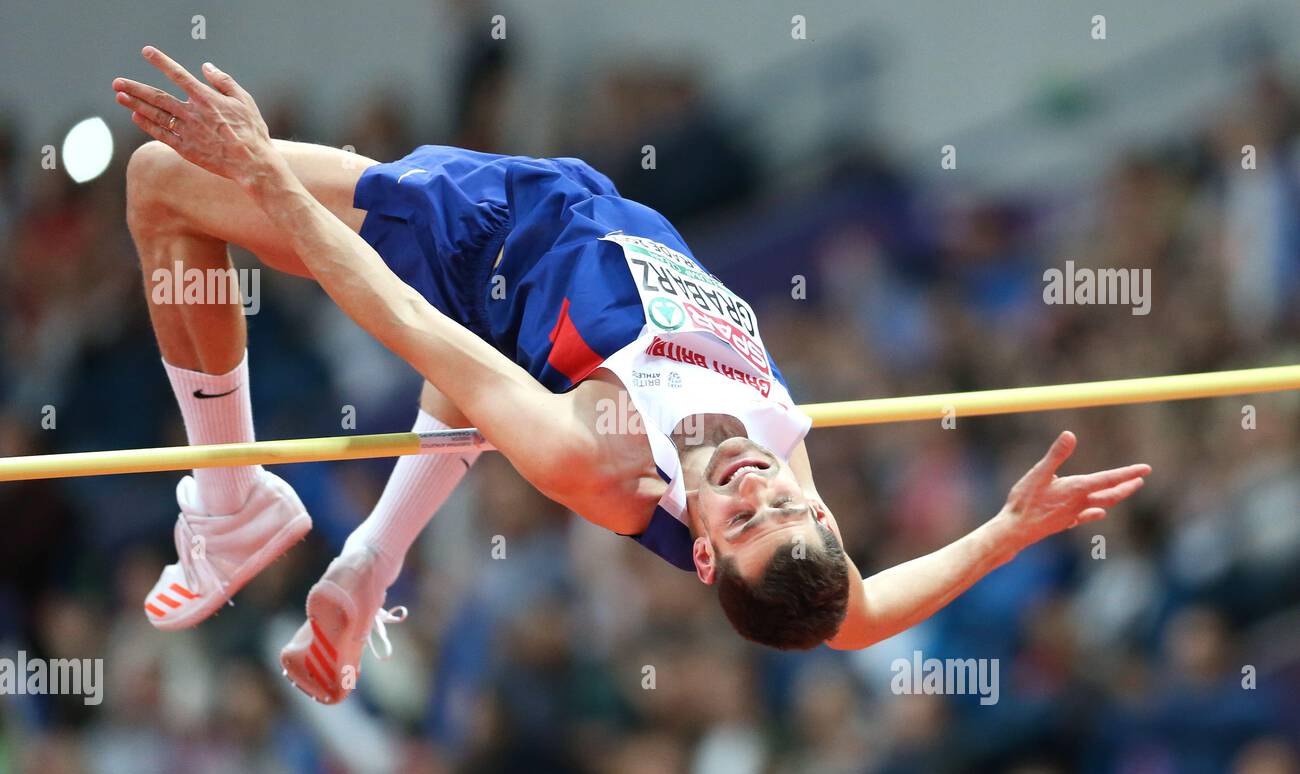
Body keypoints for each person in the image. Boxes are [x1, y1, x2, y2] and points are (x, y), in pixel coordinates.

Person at [112, 47, 1151, 704]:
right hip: (576, 227)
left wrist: (262, 173)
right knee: (502, 371)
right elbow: (857, 619)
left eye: (742, 521)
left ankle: (230, 496)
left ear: (700, 557)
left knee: (162, 185)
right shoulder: (781, 477)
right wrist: (1005, 533)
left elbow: (413, 325)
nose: (757, 490)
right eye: (788, 507)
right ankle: (328, 547)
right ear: (823, 521)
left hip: (489, 240)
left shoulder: (597, 458)